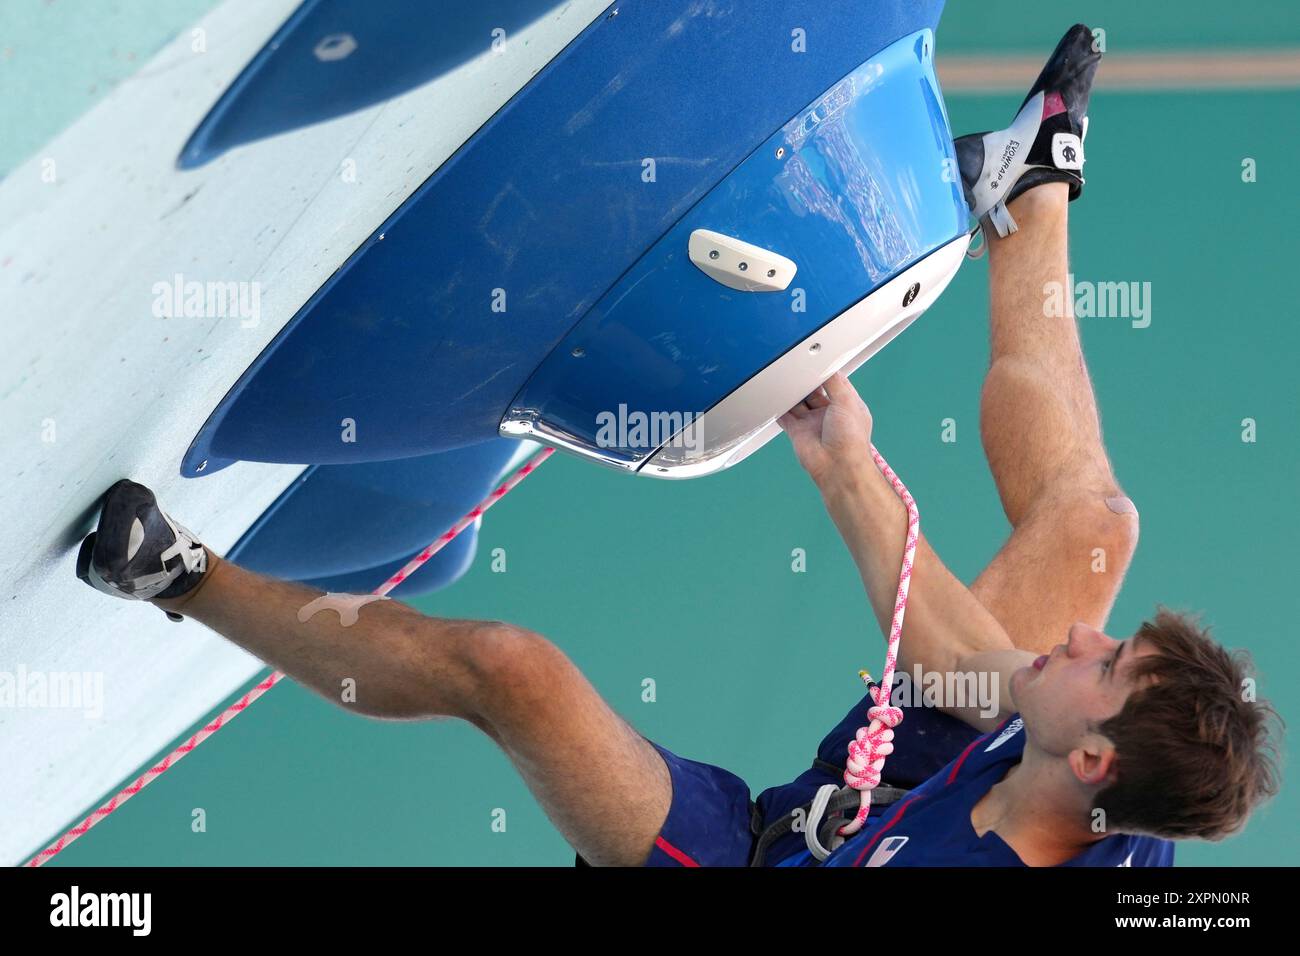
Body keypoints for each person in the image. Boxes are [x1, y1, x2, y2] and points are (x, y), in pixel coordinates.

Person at [76, 25, 1279, 867]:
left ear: (1095, 761)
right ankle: (1033, 184)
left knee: (513, 670)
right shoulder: (1113, 774)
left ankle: (171, 574)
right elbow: (964, 670)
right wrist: (839, 457)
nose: (1084, 638)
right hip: (914, 791)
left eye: (1106, 664)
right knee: (1094, 527)